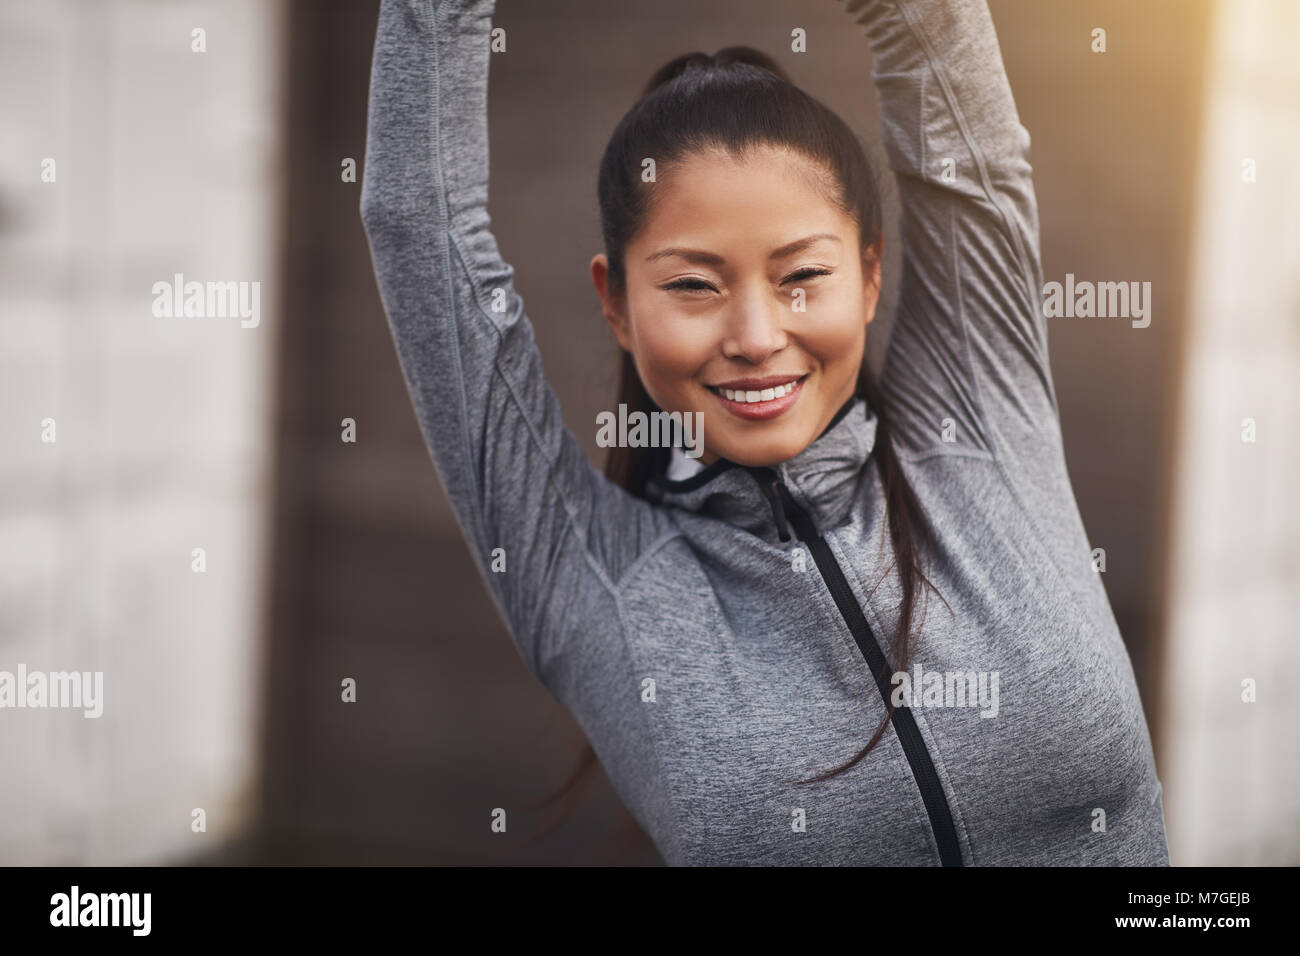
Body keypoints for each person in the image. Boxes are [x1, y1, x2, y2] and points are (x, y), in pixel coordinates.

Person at [360, 0, 1171, 866]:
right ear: (617, 304)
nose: (753, 336)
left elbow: (933, 24)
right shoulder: (588, 573)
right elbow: (418, 221)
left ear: (868, 276)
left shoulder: (976, 425)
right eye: (694, 286)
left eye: (803, 277)